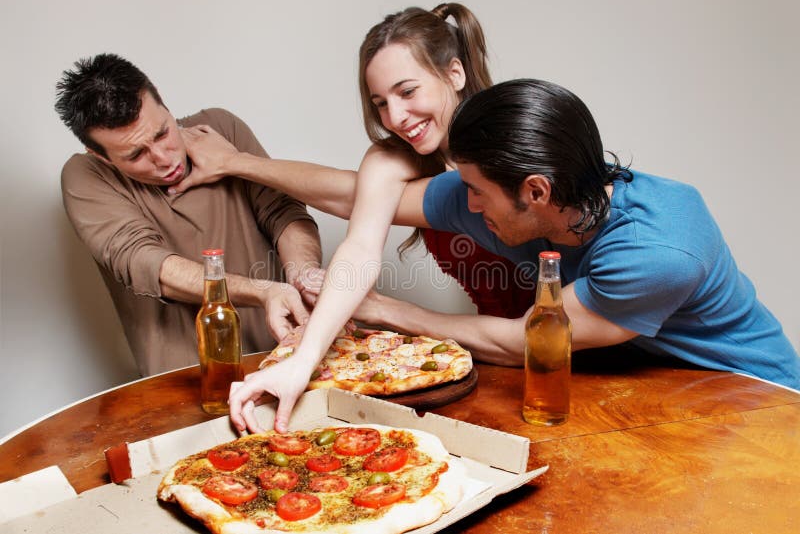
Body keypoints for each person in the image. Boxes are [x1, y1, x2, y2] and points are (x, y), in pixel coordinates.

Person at [228, 78, 800, 432]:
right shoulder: (508, 196)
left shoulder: (658, 250)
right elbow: (371, 197)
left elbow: (528, 339)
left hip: (756, 402)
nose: (464, 204)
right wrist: (237, 162)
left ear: (536, 192)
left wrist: (387, 311)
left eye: (474, 190)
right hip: (652, 390)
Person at [173, 3, 535, 320]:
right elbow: (353, 197)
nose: (396, 117)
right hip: (500, 352)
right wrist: (235, 163)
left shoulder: (515, 139)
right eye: (380, 103)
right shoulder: (411, 164)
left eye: (408, 92)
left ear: (455, 74)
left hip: (569, 338)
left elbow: (349, 198)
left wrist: (236, 162)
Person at [55, 53, 321, 376]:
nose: (164, 159)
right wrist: (263, 292)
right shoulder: (85, 176)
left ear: (165, 107)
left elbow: (284, 212)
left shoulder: (221, 127)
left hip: (290, 359)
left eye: (162, 133)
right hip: (190, 385)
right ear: (100, 156)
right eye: (137, 154)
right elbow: (148, 263)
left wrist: (304, 274)